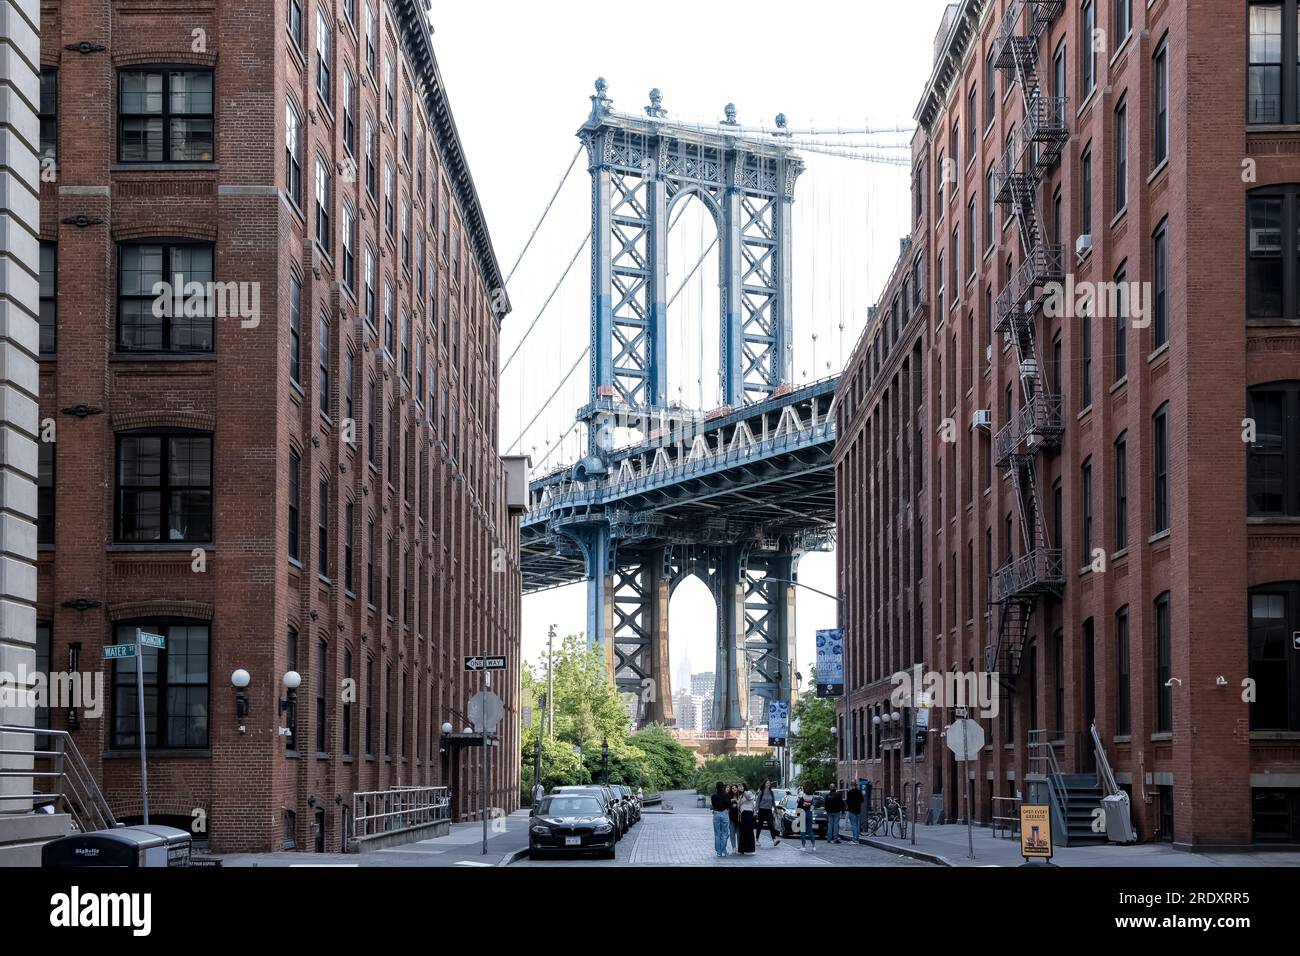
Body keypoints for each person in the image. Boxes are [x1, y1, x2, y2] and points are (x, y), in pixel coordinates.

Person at [755, 780, 781, 846]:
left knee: (771, 825)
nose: (768, 784)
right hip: (762, 810)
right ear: (764, 784)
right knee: (760, 825)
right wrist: (755, 810)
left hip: (769, 810)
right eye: (767, 783)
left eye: (769, 783)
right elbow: (757, 801)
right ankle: (757, 839)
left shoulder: (771, 792)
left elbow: (773, 802)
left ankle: (774, 840)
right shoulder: (762, 791)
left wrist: (776, 810)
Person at [710, 782, 731, 858]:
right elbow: (729, 805)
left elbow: (713, 805)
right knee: (725, 833)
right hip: (725, 813)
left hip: (716, 814)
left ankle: (719, 851)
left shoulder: (713, 796)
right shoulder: (727, 796)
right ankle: (723, 850)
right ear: (723, 787)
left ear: (716, 787)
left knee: (717, 833)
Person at [797, 784, 817, 852]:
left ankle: (803, 846)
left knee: (803, 830)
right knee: (810, 830)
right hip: (809, 813)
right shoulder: (812, 796)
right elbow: (813, 805)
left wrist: (797, 813)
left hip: (802, 813)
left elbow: (799, 805)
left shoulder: (802, 795)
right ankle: (813, 846)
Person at [737, 790, 757, 855]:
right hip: (744, 814)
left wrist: (743, 795)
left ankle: (748, 850)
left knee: (748, 832)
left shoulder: (748, 793)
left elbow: (749, 797)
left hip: (748, 813)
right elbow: (738, 805)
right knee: (744, 832)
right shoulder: (740, 796)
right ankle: (742, 850)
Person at [727, 785, 741, 853]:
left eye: (735, 787)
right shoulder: (729, 795)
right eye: (732, 788)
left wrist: (737, 804)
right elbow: (726, 803)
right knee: (732, 833)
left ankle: (739, 847)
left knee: (739, 833)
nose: (734, 789)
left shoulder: (740, 795)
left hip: (739, 817)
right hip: (731, 817)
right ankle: (733, 847)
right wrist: (732, 801)